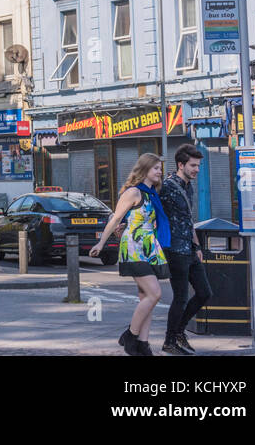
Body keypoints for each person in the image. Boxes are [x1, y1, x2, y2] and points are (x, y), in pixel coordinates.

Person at [91, 152, 170, 356]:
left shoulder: (152, 194)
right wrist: (101, 243)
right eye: (156, 168)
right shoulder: (134, 192)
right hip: (134, 248)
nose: (160, 172)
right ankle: (130, 335)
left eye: (160, 169)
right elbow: (116, 218)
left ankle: (142, 344)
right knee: (155, 294)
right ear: (144, 169)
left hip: (149, 247)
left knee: (146, 296)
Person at [160, 144, 211, 355]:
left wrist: (197, 245)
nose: (196, 169)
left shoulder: (188, 186)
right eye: (193, 165)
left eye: (198, 165)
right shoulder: (167, 186)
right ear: (181, 164)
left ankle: (179, 332)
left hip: (189, 249)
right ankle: (169, 340)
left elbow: (188, 219)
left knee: (205, 293)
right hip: (174, 250)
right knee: (180, 297)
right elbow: (152, 210)